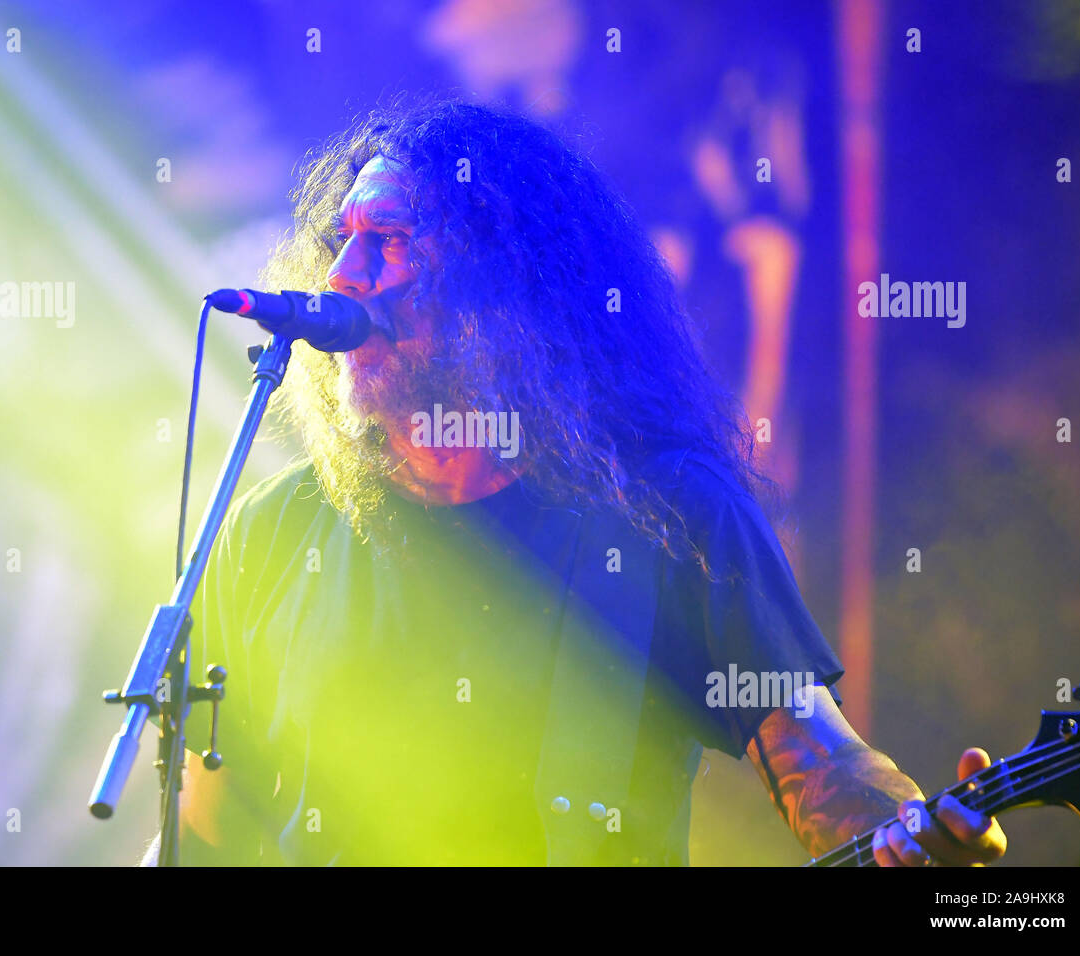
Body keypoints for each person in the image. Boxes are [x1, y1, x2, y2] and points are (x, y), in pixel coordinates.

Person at [159, 96, 1007, 866]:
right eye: (342, 239)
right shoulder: (276, 535)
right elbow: (199, 838)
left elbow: (821, 766)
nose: (341, 272)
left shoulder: (669, 515)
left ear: (502, 283)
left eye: (388, 239)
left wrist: (924, 838)